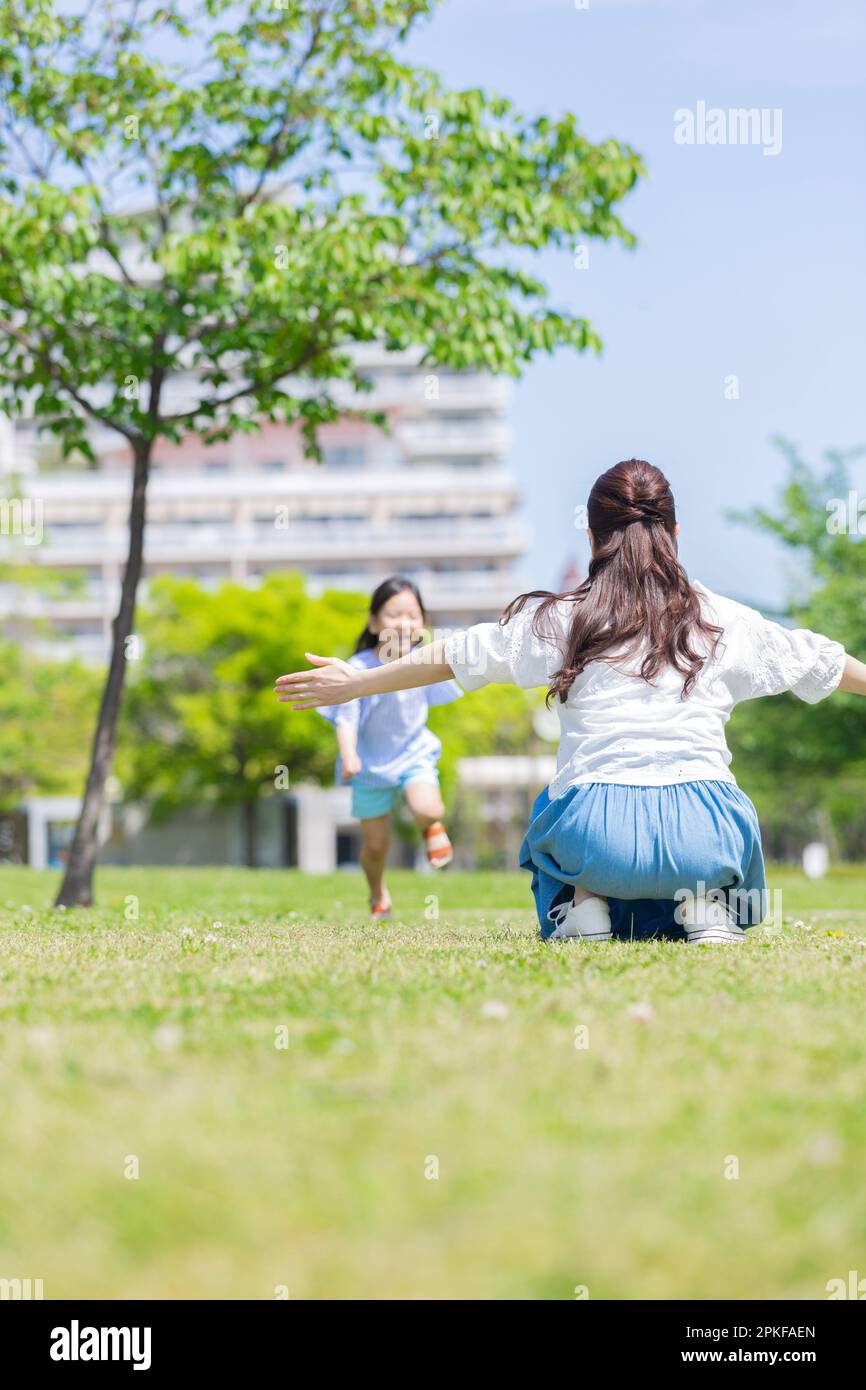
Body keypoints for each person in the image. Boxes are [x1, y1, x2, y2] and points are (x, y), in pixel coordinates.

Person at [277, 460, 866, 944]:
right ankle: (706, 908)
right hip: (704, 837)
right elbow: (819, 661)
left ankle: (586, 908)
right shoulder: (720, 620)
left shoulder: (562, 619)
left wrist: (356, 683)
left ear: (591, 537)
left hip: (596, 837)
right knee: (717, 796)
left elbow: (461, 653)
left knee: (566, 789)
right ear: (677, 536)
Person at [315, 575, 462, 921]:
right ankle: (377, 893)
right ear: (373, 622)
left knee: (428, 807)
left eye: (412, 615)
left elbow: (455, 679)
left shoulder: (424, 663)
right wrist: (349, 755)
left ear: (422, 623)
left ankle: (430, 827)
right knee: (376, 846)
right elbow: (346, 717)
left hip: (414, 754)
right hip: (369, 765)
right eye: (393, 614)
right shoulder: (358, 667)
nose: (403, 623)